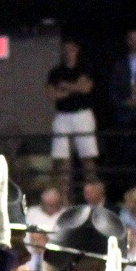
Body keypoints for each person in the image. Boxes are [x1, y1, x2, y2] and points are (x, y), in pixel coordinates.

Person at [45, 39, 98, 187]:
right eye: (65, 50)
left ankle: (92, 195)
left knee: (87, 157)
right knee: (63, 160)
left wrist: (65, 87)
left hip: (82, 114)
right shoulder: (56, 72)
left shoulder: (85, 68)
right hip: (63, 115)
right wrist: (75, 88)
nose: (68, 53)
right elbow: (51, 94)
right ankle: (64, 200)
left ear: (76, 50)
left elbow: (86, 88)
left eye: (71, 49)